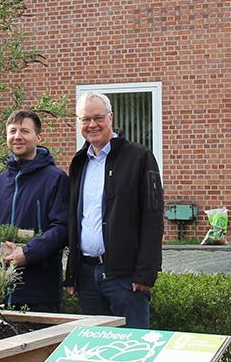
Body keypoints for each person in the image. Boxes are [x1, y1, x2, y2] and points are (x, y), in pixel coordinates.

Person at [64, 91, 163, 329]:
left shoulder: (139, 157)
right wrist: (72, 273)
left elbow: (153, 216)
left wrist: (145, 273)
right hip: (87, 277)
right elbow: (76, 219)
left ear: (111, 117)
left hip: (125, 278)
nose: (92, 125)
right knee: (97, 351)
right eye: (85, 119)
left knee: (133, 350)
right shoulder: (79, 163)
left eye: (98, 117)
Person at [0, 110, 69, 312]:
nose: (17, 136)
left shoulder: (55, 179)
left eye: (24, 131)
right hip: (0, 288)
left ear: (38, 137)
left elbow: (62, 228)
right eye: (12, 131)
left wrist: (27, 253)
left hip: (40, 291)